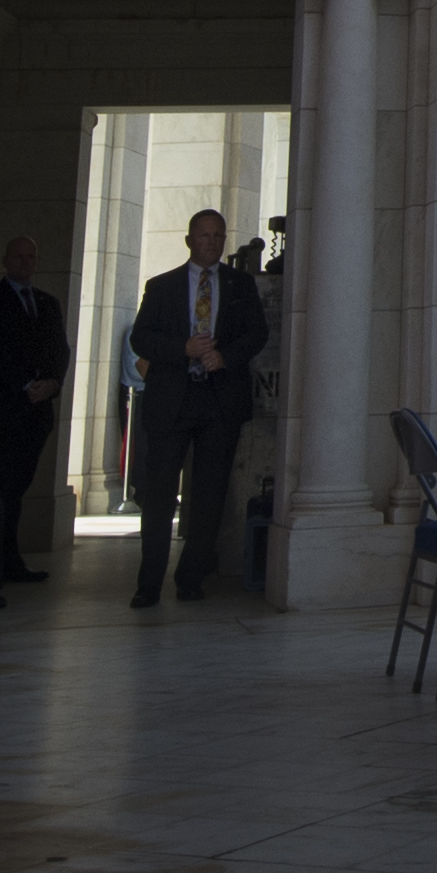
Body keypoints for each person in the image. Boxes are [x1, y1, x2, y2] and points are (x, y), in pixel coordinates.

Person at [121, 208, 265, 607]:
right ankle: (149, 583)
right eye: (204, 235)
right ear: (189, 240)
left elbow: (257, 332)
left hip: (219, 401)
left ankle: (191, 576)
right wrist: (180, 349)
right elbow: (142, 338)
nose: (212, 243)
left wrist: (227, 357)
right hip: (172, 399)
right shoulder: (162, 286)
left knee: (209, 495)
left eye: (218, 236)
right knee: (160, 493)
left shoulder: (240, 285)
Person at [0, 234, 67, 610]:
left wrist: (51, 383)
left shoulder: (48, 304)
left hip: (34, 415)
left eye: (30, 257)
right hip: (1, 410)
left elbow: (60, 350)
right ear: (5, 260)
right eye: (18, 256)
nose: (24, 262)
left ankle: (10, 560)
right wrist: (24, 384)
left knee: (17, 488)